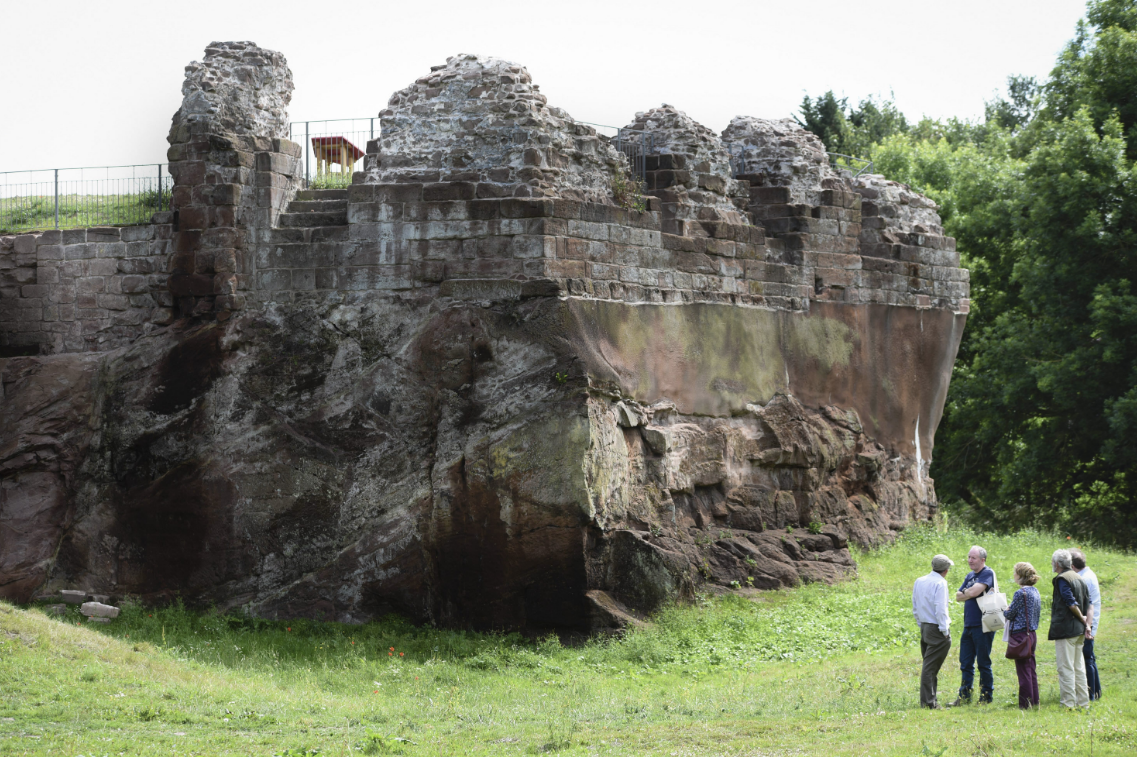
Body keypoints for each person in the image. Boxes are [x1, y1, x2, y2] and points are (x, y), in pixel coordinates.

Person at [948, 545, 996, 706]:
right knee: (966, 662)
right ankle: (964, 697)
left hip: (983, 624)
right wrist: (969, 592)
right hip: (968, 625)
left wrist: (968, 593)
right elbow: (957, 596)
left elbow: (973, 593)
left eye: (973, 558)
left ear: (982, 560)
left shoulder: (987, 573)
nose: (970, 560)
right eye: (969, 557)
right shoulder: (970, 575)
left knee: (983, 662)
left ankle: (986, 696)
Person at [1048, 548, 1092, 709]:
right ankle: (1083, 703)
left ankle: (1068, 704)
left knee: (1065, 668)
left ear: (1058, 564)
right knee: (1078, 668)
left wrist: (1081, 618)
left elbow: (1070, 602)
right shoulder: (1078, 577)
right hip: (1078, 630)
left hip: (1066, 630)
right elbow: (1088, 603)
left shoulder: (1062, 579)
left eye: (1053, 562)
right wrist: (1086, 624)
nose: (1052, 565)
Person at [912, 554, 954, 708]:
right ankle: (929, 703)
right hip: (936, 627)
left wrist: (920, 623)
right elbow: (941, 608)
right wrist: (944, 630)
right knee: (930, 667)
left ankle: (931, 699)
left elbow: (915, 604)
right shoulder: (941, 584)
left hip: (924, 626)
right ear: (946, 570)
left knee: (930, 665)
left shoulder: (919, 581)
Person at [1002, 562, 1041, 709]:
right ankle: (1034, 700)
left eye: (1015, 573)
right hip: (1031, 633)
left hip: (1020, 635)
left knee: (1023, 670)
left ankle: (1025, 704)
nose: (1014, 575)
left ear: (1020, 576)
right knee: (1031, 669)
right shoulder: (1035, 591)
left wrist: (1005, 610)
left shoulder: (1021, 593)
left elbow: (1010, 614)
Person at [1070, 548, 1102, 700]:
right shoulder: (1088, 574)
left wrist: (1087, 626)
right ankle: (1096, 691)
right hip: (1089, 622)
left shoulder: (1084, 579)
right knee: (1090, 658)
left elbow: (1088, 605)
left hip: (1087, 624)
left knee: (1087, 658)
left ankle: (1091, 694)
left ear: (1072, 566)